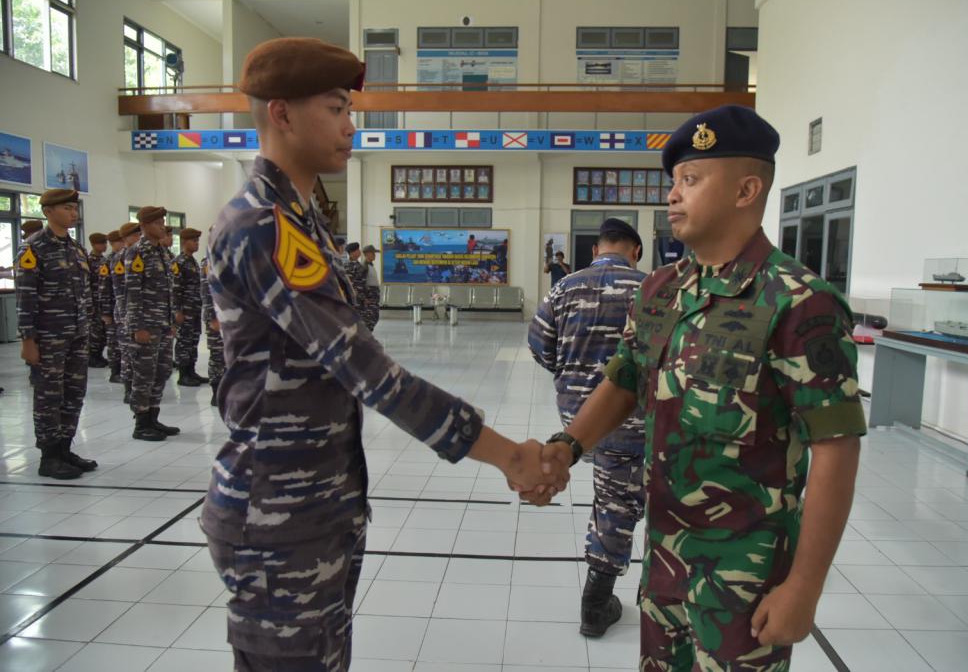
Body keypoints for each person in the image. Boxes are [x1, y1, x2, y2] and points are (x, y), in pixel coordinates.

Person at [200, 37, 568, 672]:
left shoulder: (299, 220)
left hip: (312, 506)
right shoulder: (262, 224)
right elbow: (369, 373)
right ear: (282, 114)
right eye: (337, 108)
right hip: (277, 518)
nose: (351, 126)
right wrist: (510, 455)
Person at [526, 105, 866, 671]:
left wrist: (804, 587)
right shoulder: (660, 289)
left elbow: (836, 449)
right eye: (673, 182)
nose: (673, 196)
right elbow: (624, 381)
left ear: (746, 190)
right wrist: (568, 446)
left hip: (745, 581)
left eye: (691, 179)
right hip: (664, 562)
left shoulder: (799, 302)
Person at [529, 217, 647, 639]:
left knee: (618, 495)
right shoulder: (651, 289)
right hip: (634, 421)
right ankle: (596, 605)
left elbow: (539, 345)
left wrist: (572, 379)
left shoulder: (564, 286)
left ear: (596, 250)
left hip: (577, 423)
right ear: (636, 250)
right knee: (621, 501)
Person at [15, 189, 98, 479]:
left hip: (76, 334)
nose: (73, 213)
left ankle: (64, 448)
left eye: (75, 208)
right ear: (48, 212)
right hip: (48, 337)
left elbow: (85, 293)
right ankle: (49, 457)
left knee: (73, 393)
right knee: (49, 396)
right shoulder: (34, 248)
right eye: (66, 208)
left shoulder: (76, 249)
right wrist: (28, 340)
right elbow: (26, 298)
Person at [124, 206, 179, 441]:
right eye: (157, 223)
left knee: (162, 370)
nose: (161, 226)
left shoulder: (163, 253)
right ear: (144, 226)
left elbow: (168, 291)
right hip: (146, 324)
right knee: (144, 373)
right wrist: (138, 326)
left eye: (162, 222)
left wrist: (171, 321)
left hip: (163, 324)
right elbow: (132, 293)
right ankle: (141, 422)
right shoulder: (137, 252)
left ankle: (153, 418)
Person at [172, 227, 207, 386]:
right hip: (184, 310)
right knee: (184, 341)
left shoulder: (192, 261)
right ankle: (183, 374)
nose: (197, 243)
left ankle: (191, 371)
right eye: (194, 240)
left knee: (193, 340)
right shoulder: (178, 263)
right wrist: (177, 310)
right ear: (185, 242)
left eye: (198, 240)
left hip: (194, 309)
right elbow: (175, 289)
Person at [113, 223, 142, 402]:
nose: (139, 238)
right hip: (125, 313)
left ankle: (137, 389)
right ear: (125, 238)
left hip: (136, 313)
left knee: (137, 354)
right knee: (128, 353)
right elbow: (120, 291)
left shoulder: (139, 254)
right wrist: (127, 317)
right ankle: (128, 389)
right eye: (135, 235)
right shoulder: (120, 258)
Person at [99, 230, 125, 382]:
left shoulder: (126, 257)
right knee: (114, 342)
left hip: (123, 309)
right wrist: (106, 312)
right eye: (119, 241)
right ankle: (115, 372)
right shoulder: (108, 261)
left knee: (123, 341)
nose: (122, 244)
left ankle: (124, 370)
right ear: (112, 243)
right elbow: (104, 288)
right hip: (112, 308)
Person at [199, 249, 224, 407]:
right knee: (217, 355)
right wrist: (212, 316)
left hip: (232, 316)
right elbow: (206, 291)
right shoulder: (209, 260)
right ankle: (216, 392)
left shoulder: (230, 254)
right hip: (217, 316)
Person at [86, 232, 109, 368]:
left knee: (103, 332)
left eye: (105, 243)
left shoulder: (104, 260)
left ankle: (98, 355)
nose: (105, 246)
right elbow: (86, 283)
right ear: (94, 244)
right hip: (93, 301)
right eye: (102, 243)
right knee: (95, 331)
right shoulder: (89, 261)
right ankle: (92, 356)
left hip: (103, 301)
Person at [342, 241, 370, 321]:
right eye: (357, 250)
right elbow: (351, 284)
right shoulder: (348, 266)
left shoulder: (358, 265)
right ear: (351, 253)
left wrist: (365, 297)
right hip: (355, 299)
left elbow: (363, 282)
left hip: (361, 299)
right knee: (355, 321)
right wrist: (361, 297)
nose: (359, 251)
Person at [361, 244, 381, 331]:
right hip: (369, 299)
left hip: (374, 298)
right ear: (367, 254)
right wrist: (364, 298)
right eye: (373, 253)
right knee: (369, 321)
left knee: (374, 318)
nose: (374, 255)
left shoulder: (370, 266)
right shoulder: (364, 267)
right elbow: (360, 283)